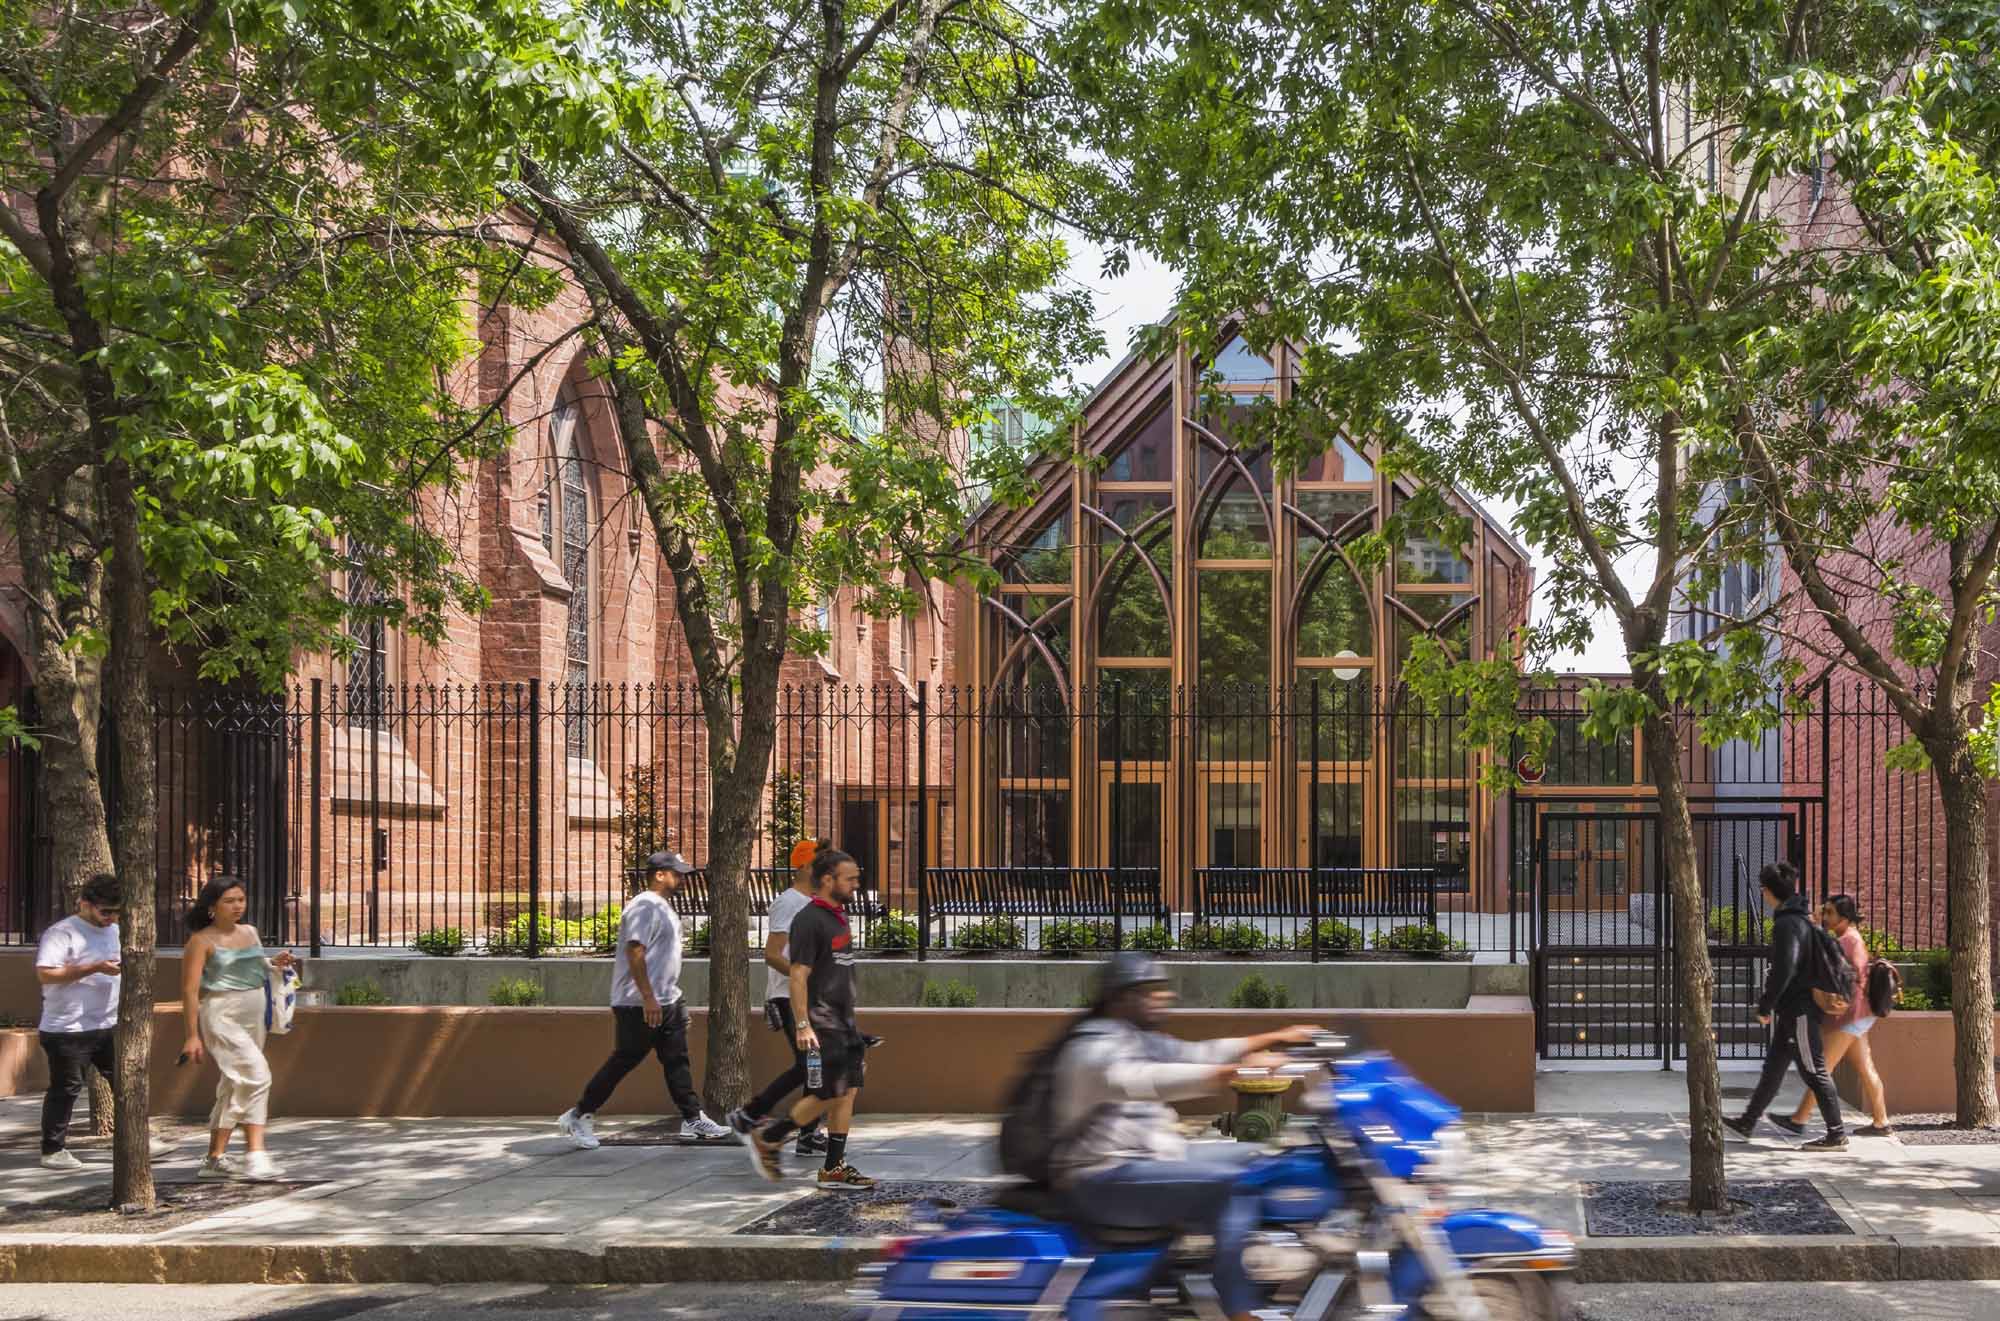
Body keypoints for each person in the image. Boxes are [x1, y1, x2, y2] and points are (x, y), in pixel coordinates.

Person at [1045, 952, 1317, 1321]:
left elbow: (1197, 1053)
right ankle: (1239, 1305)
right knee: (1233, 1183)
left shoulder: (1134, 1037)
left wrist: (1278, 1037)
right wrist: (1232, 1073)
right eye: (1152, 991)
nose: (1165, 997)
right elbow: (1141, 1081)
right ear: (1122, 997)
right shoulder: (1093, 1046)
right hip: (1103, 1177)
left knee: (1266, 1160)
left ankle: (1266, 1267)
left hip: (1148, 1157)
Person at [558, 851, 731, 1149]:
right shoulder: (644, 906)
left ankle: (692, 1119)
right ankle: (579, 1114)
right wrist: (649, 998)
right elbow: (635, 951)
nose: (681, 879)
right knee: (625, 1059)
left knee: (677, 1060)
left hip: (667, 1000)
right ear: (660, 874)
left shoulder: (662, 907)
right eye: (676, 873)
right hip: (637, 1002)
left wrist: (672, 1000)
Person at [744, 848, 874, 1189]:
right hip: (821, 1019)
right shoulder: (808, 919)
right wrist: (803, 1024)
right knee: (831, 1091)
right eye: (851, 879)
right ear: (828, 880)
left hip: (842, 1019)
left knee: (848, 1091)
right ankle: (770, 1136)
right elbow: (799, 975)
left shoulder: (838, 915)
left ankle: (833, 1167)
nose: (856, 885)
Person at [35, 874, 174, 1171]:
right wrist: (93, 967)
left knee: (126, 1082)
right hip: (67, 1029)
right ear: (84, 904)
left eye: (116, 912)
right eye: (105, 911)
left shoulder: (115, 931)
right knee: (67, 1087)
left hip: (107, 1024)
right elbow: (46, 974)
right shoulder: (62, 933)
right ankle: (52, 1149)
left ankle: (139, 1138)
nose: (111, 918)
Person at [180, 875, 299, 1180]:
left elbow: (259, 968)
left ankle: (214, 1159)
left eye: (241, 900)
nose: (237, 906)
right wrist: (192, 1035)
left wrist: (277, 962)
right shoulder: (200, 941)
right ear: (211, 906)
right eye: (229, 901)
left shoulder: (250, 932)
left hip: (255, 1011)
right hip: (222, 1014)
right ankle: (256, 1154)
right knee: (257, 1076)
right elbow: (190, 990)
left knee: (235, 1082)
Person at [1725, 862, 1848, 1150]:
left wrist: (1766, 1005)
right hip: (1791, 1010)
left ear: (1768, 891)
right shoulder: (1797, 918)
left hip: (1800, 1009)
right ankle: (1748, 1120)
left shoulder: (1788, 923)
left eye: (1763, 889)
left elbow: (1786, 968)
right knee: (1774, 1068)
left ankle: (1836, 1133)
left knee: (1813, 1069)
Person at [726, 837, 829, 1156]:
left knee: (816, 1066)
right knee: (806, 1064)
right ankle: (750, 1113)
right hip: (788, 996)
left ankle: (808, 1133)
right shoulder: (789, 902)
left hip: (808, 996)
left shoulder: (814, 902)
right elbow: (772, 954)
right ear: (806, 865)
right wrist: (804, 977)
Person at [1779, 893, 1892, 1137]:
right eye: (1825, 911)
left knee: (1821, 1070)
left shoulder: (1846, 941)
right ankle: (1881, 1121)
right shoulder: (1849, 938)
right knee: (1864, 1066)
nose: (1826, 916)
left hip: (1850, 1016)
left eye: (1830, 913)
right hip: (1861, 1014)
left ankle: (1799, 1119)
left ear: (1844, 917)